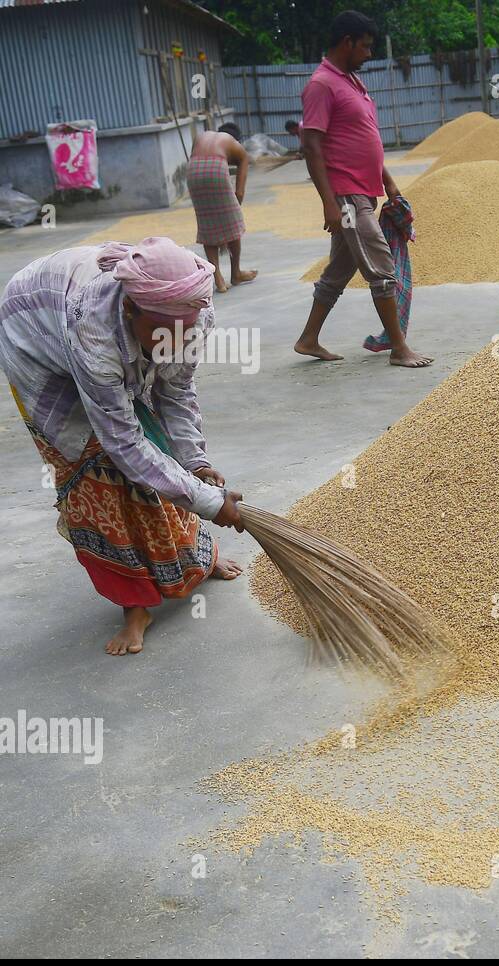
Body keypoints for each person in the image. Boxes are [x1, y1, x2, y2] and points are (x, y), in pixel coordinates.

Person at [0, 238, 246, 656]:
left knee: (167, 463)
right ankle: (134, 604)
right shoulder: (92, 330)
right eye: (160, 331)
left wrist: (196, 465)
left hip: (96, 334)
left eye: (181, 331)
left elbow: (176, 391)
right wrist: (208, 502)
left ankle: (197, 562)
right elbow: (124, 444)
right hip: (37, 344)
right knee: (97, 474)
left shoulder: (192, 309)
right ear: (129, 309)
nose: (173, 341)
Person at [292, 10, 430, 367]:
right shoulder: (321, 85)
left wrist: (389, 182)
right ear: (347, 43)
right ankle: (399, 348)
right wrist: (329, 203)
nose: (369, 54)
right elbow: (311, 146)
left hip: (363, 192)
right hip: (346, 197)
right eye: (365, 47)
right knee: (382, 267)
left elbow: (363, 138)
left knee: (338, 271)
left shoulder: (352, 82)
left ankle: (308, 339)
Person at [186, 125, 256, 293]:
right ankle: (236, 273)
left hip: (193, 171)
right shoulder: (237, 147)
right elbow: (239, 190)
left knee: (207, 225)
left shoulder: (201, 137)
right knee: (234, 225)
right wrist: (235, 206)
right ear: (237, 140)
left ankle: (218, 280)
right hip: (215, 169)